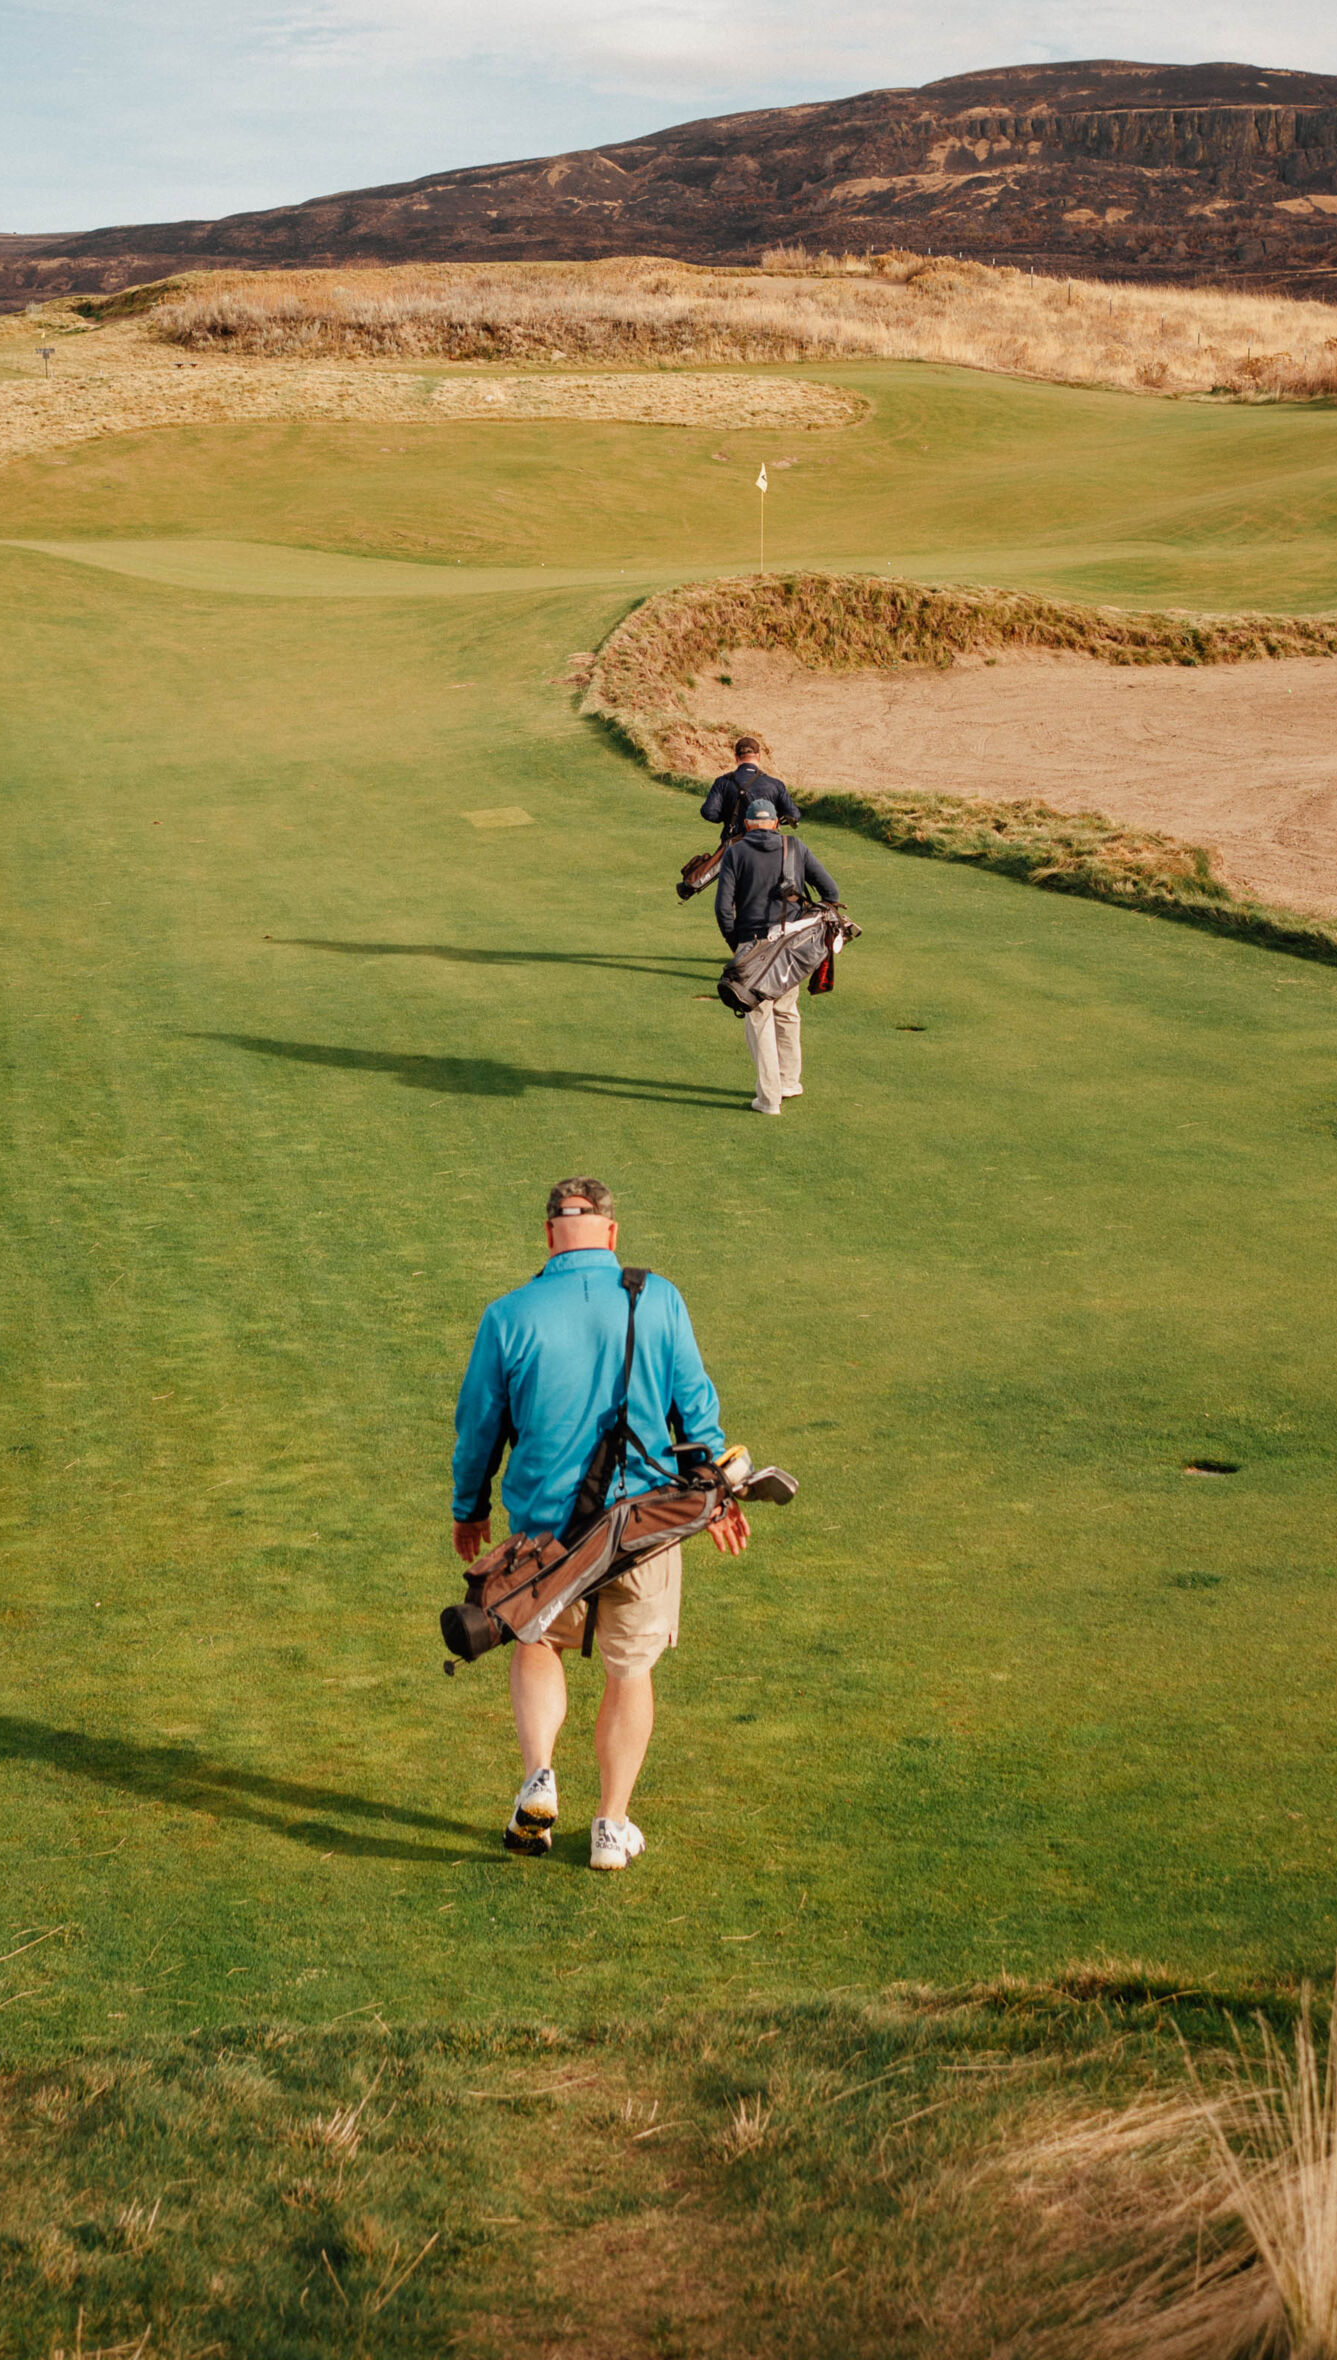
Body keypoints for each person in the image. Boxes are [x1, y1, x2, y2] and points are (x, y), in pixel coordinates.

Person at [451, 1176, 749, 1871]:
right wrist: (718, 1502)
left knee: (537, 1640)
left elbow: (478, 1427)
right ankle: (611, 1826)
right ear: (611, 1234)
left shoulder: (509, 1315)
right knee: (631, 1667)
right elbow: (696, 1413)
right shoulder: (660, 1298)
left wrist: (470, 1509)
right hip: (642, 1528)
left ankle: (538, 1776)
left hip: (545, 1535)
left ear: (550, 1235)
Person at [715, 796, 840, 1118]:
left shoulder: (735, 851)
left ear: (746, 825)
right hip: (790, 947)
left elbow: (722, 908)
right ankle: (788, 1082)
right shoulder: (795, 847)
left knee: (758, 1018)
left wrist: (737, 945)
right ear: (774, 823)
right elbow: (831, 893)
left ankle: (769, 1099)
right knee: (786, 1010)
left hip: (752, 946)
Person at [700, 734, 799, 842]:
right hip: (768, 844)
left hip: (734, 845)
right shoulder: (775, 784)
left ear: (736, 757)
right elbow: (794, 815)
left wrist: (729, 816)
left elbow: (709, 812)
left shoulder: (722, 782)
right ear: (759, 756)